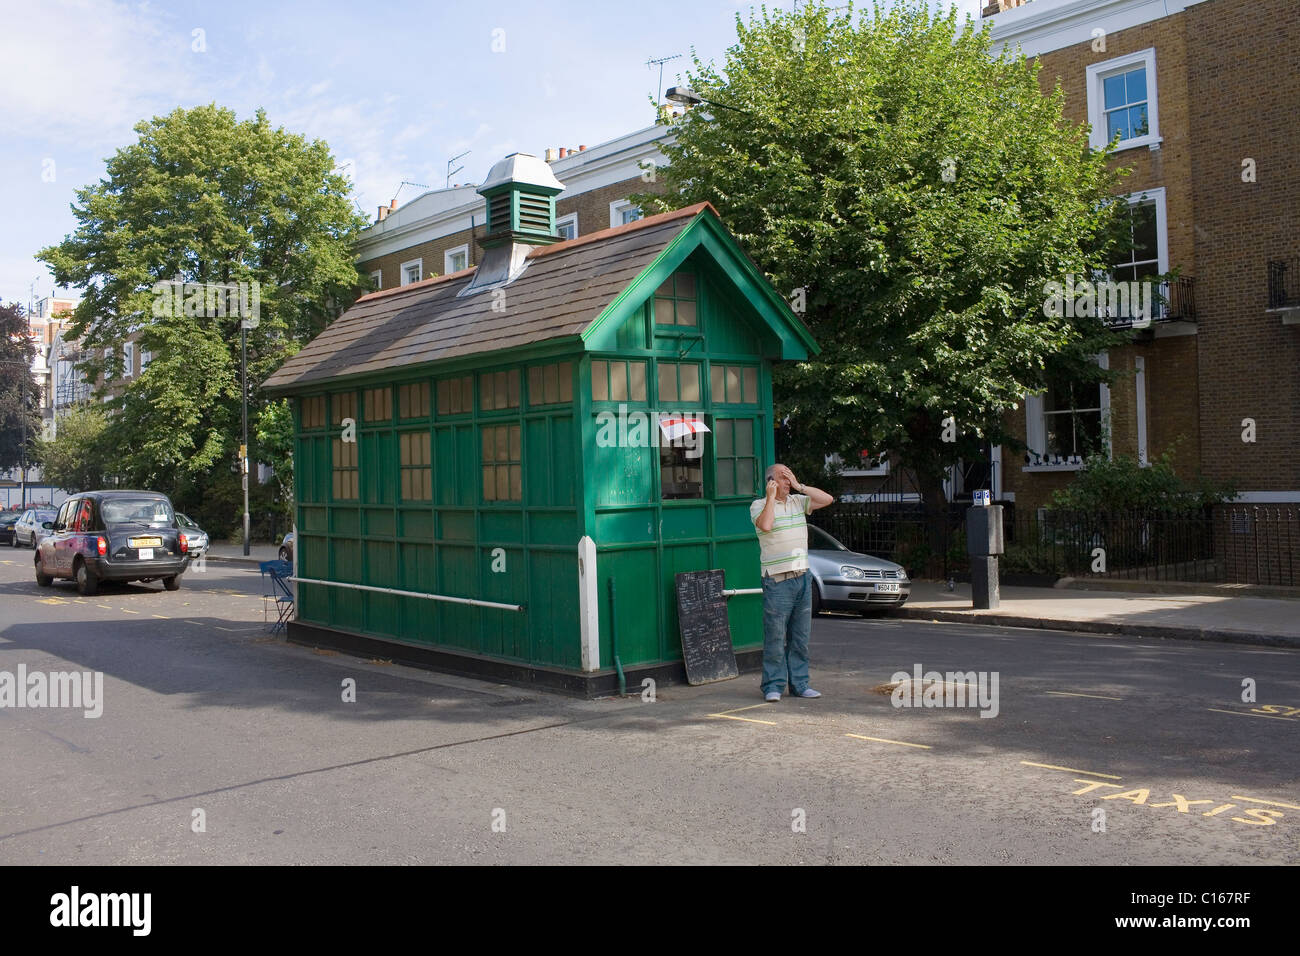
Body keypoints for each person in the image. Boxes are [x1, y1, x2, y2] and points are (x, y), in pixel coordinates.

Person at [749, 463, 834, 702]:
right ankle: (772, 686)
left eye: (789, 478)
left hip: (802, 578)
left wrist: (800, 486)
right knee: (775, 636)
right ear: (770, 482)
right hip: (777, 580)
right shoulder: (759, 506)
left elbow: (827, 499)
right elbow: (765, 525)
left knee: (800, 636)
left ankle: (800, 684)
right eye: (782, 478)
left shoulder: (798, 501)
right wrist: (770, 497)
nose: (787, 482)